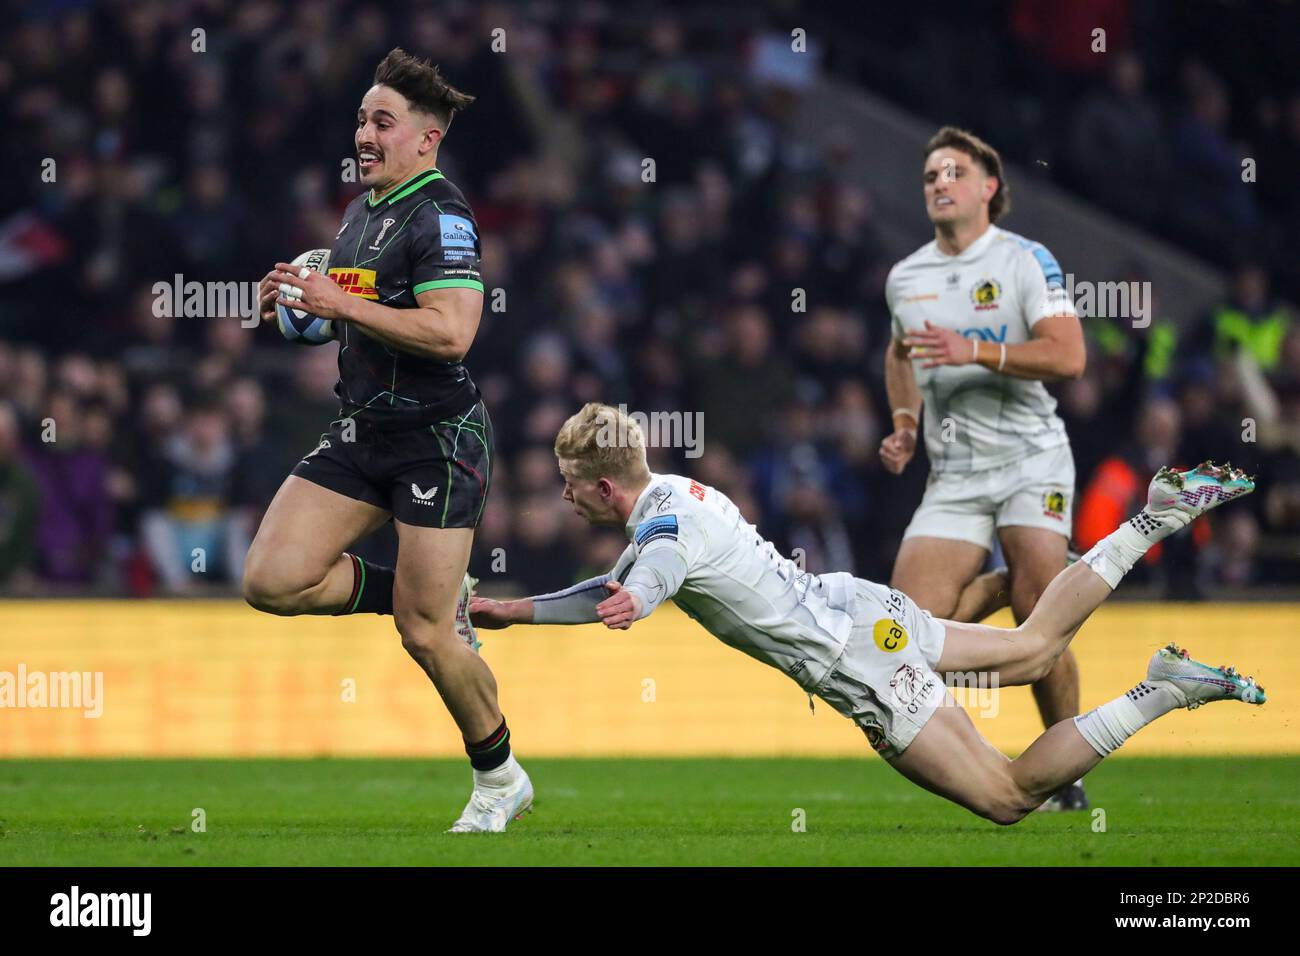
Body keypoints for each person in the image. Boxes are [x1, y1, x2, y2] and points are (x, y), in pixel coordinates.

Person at [470, 404, 1263, 826]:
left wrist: (637, 601)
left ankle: (1165, 690)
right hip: (861, 606)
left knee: (1008, 797)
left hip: (856, 666)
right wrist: (510, 608)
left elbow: (657, 572)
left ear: (604, 487)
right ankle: (1150, 521)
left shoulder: (663, 530)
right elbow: (620, 578)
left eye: (569, 484)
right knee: (1030, 648)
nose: (565, 498)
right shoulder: (674, 493)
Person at [244, 48, 530, 833]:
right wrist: (296, 304)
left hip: (438, 439)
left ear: (426, 140)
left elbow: (452, 332)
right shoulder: (362, 210)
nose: (364, 134)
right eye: (362, 120)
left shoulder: (442, 215)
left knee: (425, 634)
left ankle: (499, 776)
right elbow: (348, 309)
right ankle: (435, 593)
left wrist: (341, 301)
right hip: (364, 428)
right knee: (270, 579)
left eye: (383, 122)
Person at [879, 126, 1090, 809]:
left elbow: (1068, 356)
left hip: (1031, 458)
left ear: (988, 189)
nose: (939, 184)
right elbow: (900, 353)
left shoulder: (1027, 260)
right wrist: (906, 425)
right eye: (930, 177)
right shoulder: (905, 277)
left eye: (953, 173)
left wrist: (974, 348)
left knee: (1040, 612)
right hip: (956, 474)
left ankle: (1068, 765)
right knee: (906, 629)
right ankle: (1008, 581)